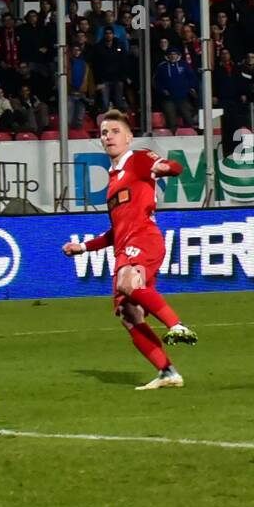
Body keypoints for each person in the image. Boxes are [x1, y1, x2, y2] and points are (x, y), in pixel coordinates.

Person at [61, 110, 197, 390]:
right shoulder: (113, 181)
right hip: (123, 248)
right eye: (103, 133)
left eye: (114, 131)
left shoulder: (138, 159)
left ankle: (177, 325)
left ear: (129, 137)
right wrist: (83, 247)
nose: (108, 136)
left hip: (144, 239)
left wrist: (165, 168)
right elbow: (115, 232)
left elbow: (174, 167)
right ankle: (167, 372)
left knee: (127, 282)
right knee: (129, 316)